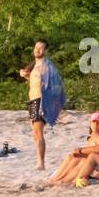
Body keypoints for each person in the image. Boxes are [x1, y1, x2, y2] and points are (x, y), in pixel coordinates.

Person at [19, 39, 64, 171]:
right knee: (35, 133)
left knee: (38, 132)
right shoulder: (35, 66)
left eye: (41, 48)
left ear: (46, 51)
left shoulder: (47, 66)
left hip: (40, 101)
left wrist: (51, 103)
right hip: (33, 100)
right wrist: (26, 76)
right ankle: (39, 161)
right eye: (36, 47)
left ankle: (41, 163)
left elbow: (55, 85)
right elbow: (36, 82)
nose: (37, 50)